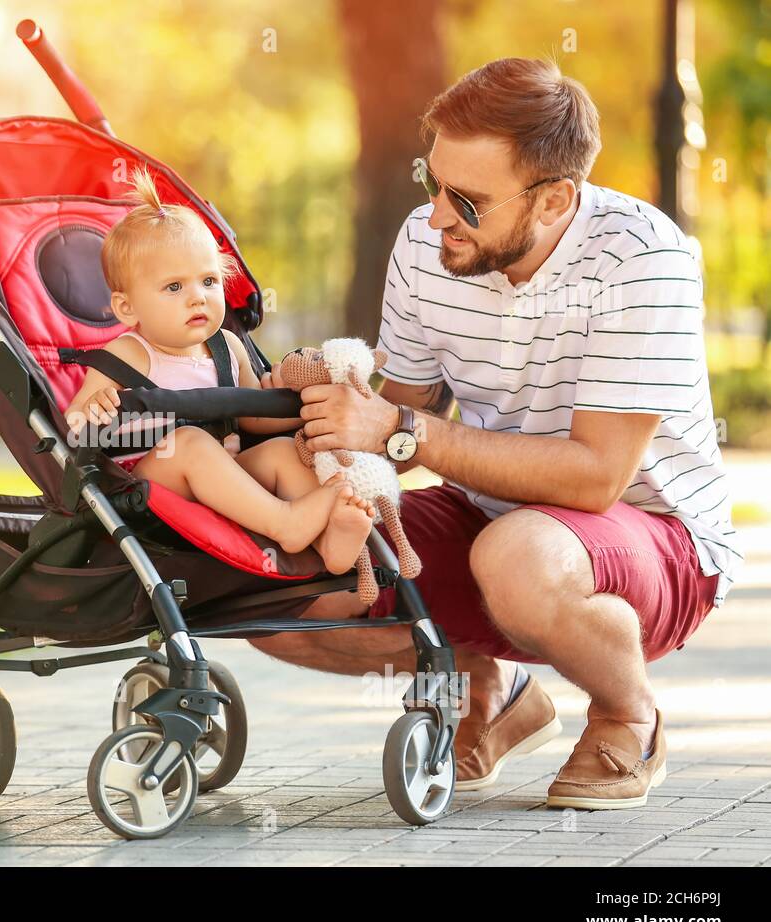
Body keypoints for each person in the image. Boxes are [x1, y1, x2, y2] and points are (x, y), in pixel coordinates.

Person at [253, 58, 741, 809]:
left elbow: (594, 478)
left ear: (554, 202)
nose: (439, 215)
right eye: (432, 183)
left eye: (468, 201)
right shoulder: (425, 244)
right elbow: (394, 415)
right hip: (489, 521)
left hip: (656, 537)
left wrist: (401, 428)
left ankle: (627, 714)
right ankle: (490, 685)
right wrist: (319, 405)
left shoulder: (644, 258)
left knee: (515, 554)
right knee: (271, 583)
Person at [65, 168, 376, 572]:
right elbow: (73, 425)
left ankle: (330, 539)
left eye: (209, 281)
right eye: (174, 287)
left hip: (225, 482)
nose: (197, 298)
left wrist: (286, 395)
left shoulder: (227, 346)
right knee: (191, 442)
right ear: (127, 308)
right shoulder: (128, 354)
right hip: (149, 489)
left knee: (282, 451)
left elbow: (252, 416)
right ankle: (286, 523)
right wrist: (94, 407)